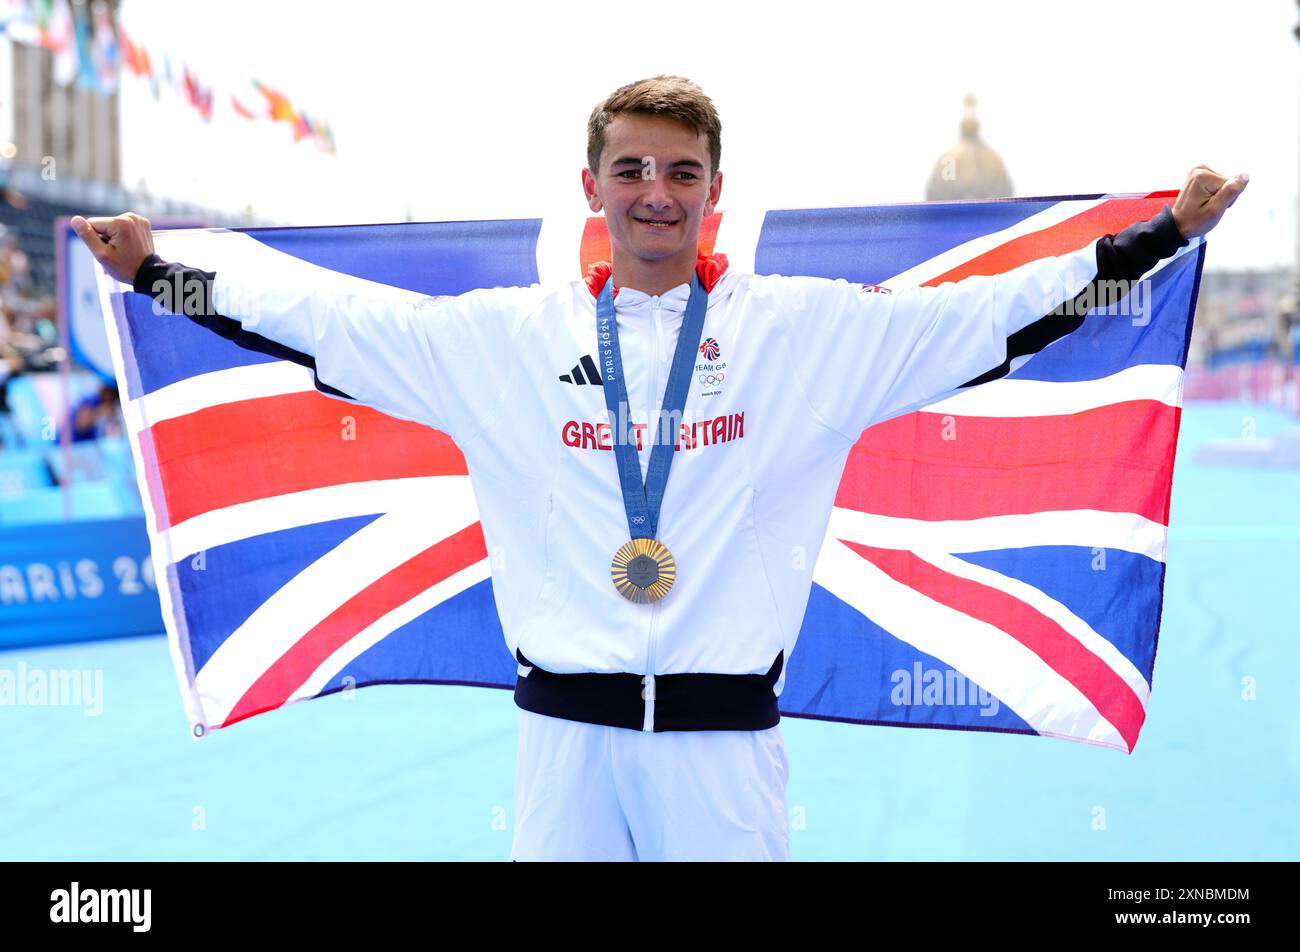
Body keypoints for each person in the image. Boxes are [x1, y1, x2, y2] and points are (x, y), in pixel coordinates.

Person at [71, 75, 1247, 862]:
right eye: (631, 169)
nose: (654, 194)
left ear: (712, 191)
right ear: (592, 188)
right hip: (561, 746)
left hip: (723, 751)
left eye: (681, 173)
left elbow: (991, 317)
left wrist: (1159, 238)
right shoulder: (505, 343)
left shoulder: (803, 336)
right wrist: (158, 271)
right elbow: (325, 318)